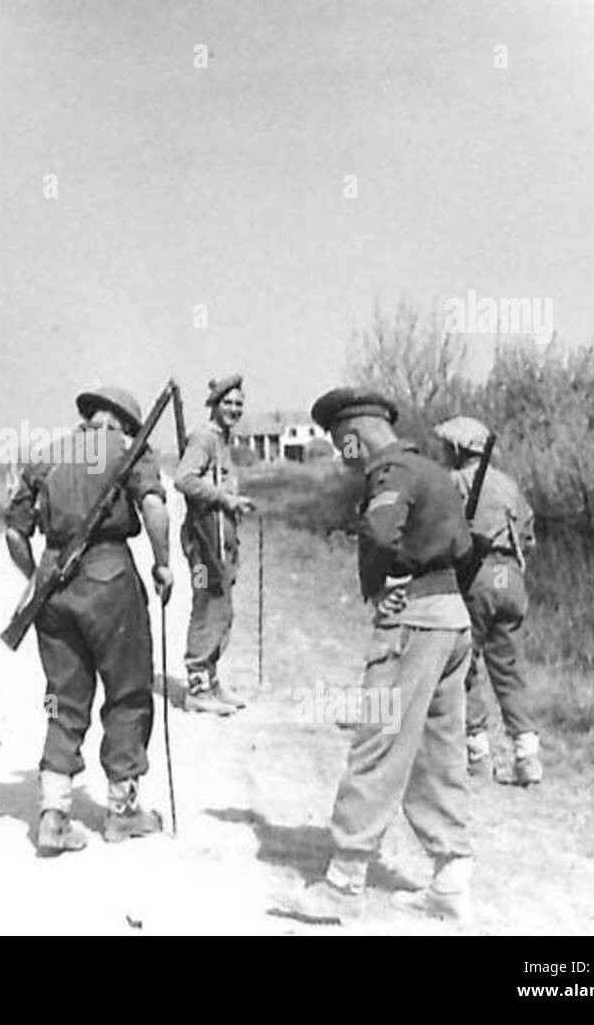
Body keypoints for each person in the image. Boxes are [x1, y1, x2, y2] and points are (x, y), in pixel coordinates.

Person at [278, 388, 475, 924]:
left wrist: (378, 583)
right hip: (452, 618)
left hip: (412, 622)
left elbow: (379, 529)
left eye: (343, 447)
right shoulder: (433, 470)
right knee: (440, 752)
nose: (346, 459)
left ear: (352, 436)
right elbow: (465, 544)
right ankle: (451, 879)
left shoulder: (388, 473)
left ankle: (344, 883)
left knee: (378, 743)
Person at [4, 385, 175, 855]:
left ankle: (54, 814)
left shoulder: (47, 454)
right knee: (127, 691)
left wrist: (36, 578)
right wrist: (163, 564)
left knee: (63, 698)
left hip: (52, 585)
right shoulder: (127, 449)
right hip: (109, 577)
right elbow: (155, 509)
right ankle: (122, 812)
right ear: (123, 422)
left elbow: (14, 533)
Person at [434, 416, 540, 786]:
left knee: (464, 666)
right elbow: (528, 535)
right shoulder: (508, 484)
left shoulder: (453, 482)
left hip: (479, 577)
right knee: (509, 670)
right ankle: (527, 755)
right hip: (509, 577)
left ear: (459, 449)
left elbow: (438, 533)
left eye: (447, 447)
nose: (443, 452)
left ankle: (477, 756)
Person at [174, 374, 257, 715]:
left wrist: (235, 503)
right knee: (207, 603)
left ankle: (211, 680)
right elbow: (184, 478)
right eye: (228, 403)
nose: (234, 409)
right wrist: (225, 499)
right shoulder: (204, 439)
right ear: (215, 404)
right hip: (203, 538)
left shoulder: (223, 440)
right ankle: (196, 686)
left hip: (222, 537)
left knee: (221, 607)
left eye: (239, 403)